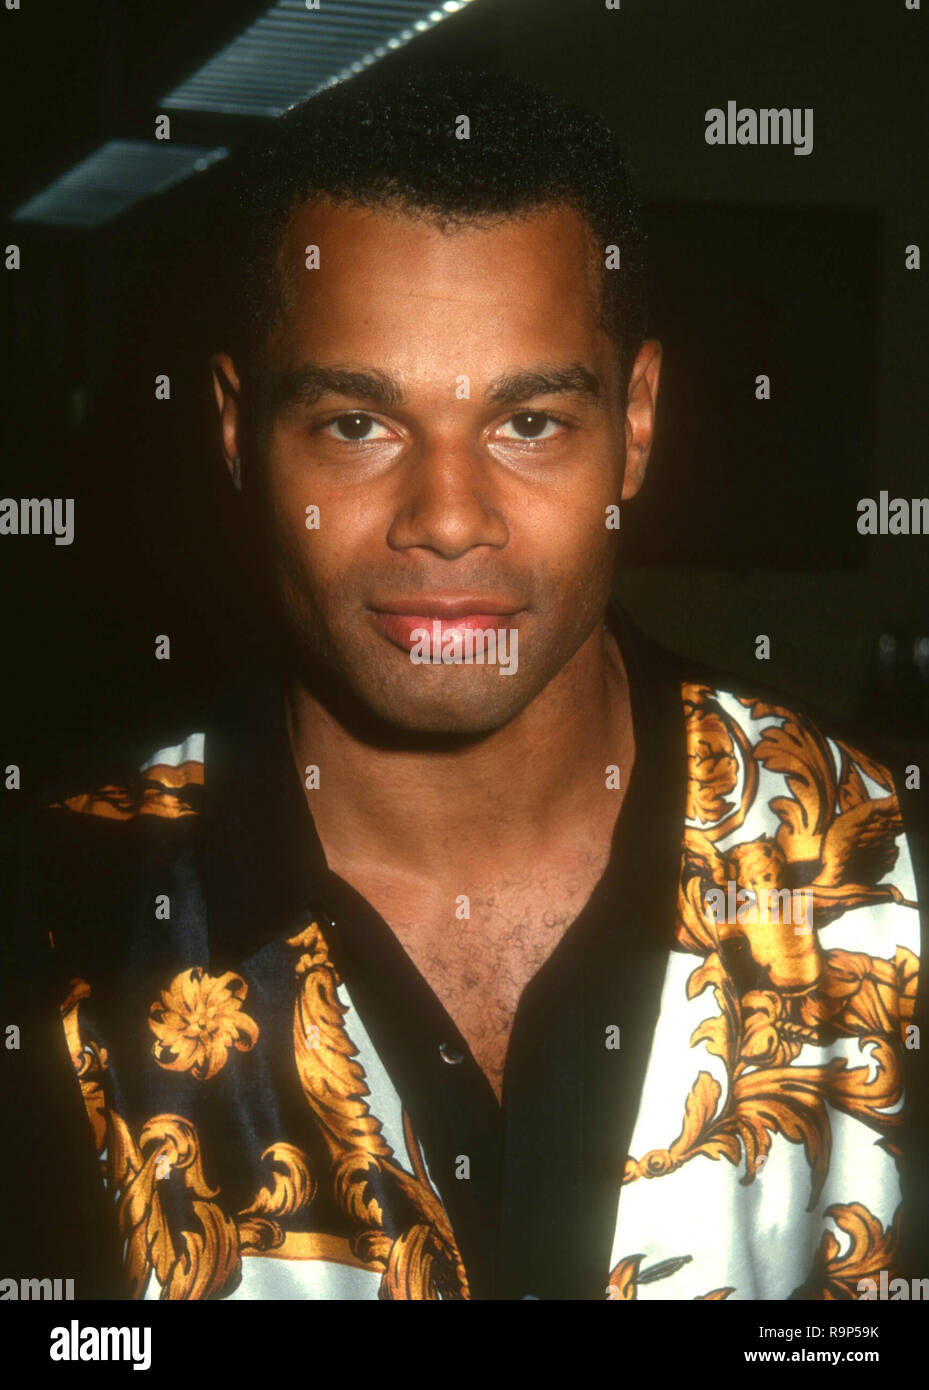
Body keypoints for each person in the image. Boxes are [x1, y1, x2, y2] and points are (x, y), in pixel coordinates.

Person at [2, 61, 926, 1303]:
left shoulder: (872, 866)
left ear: (635, 423)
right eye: (355, 423)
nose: (446, 520)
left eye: (527, 422)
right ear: (235, 429)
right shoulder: (58, 931)